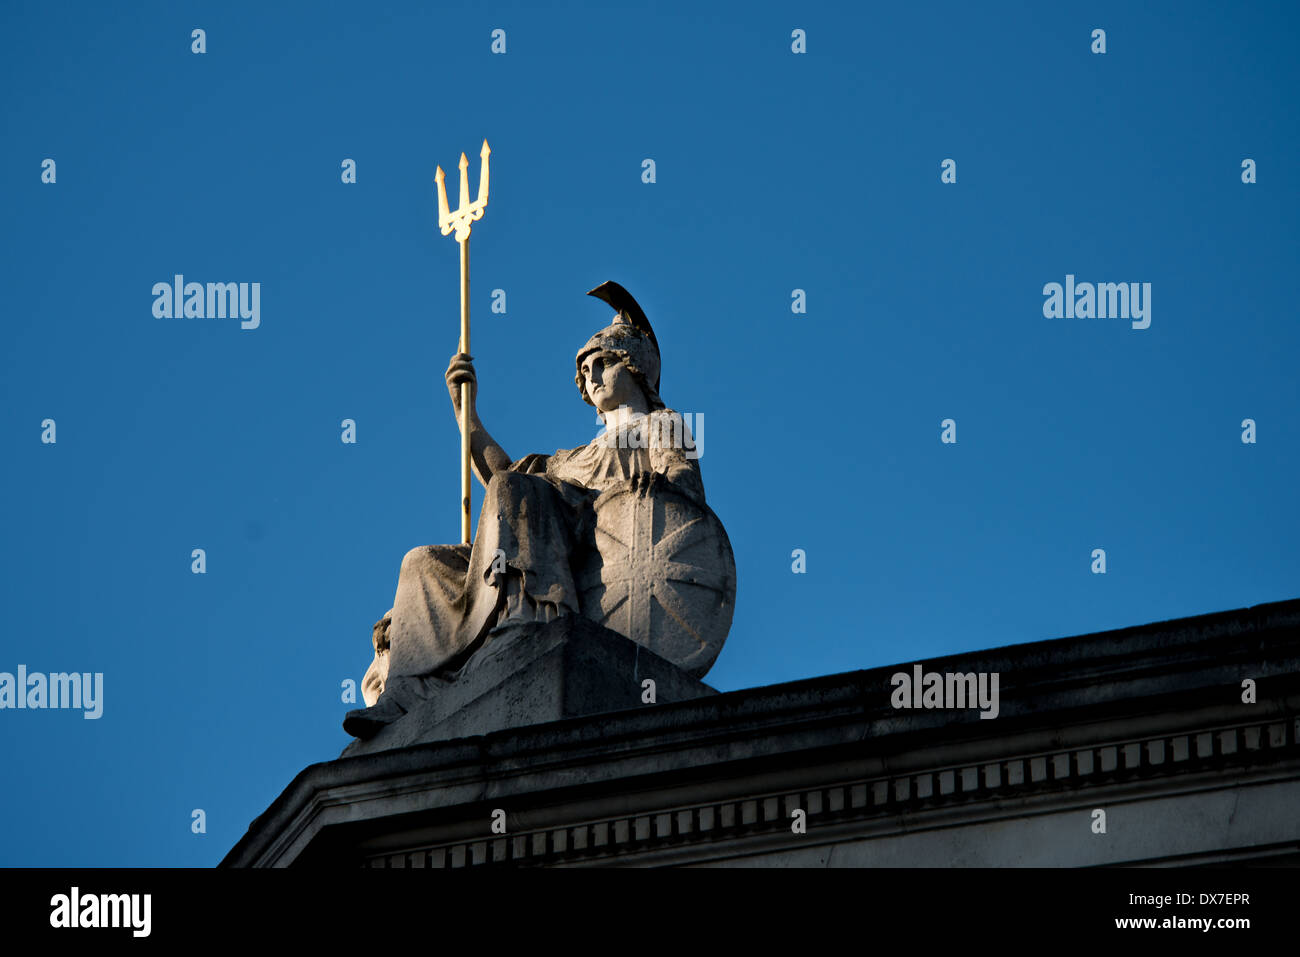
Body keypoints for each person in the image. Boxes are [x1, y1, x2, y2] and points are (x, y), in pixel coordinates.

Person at [343, 283, 703, 739]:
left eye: (603, 363)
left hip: (594, 540)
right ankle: (407, 691)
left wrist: (659, 489)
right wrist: (466, 414)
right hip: (536, 532)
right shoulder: (572, 457)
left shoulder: (662, 426)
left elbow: (686, 497)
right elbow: (502, 474)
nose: (591, 376)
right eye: (585, 369)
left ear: (634, 366)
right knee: (422, 563)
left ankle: (526, 621)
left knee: (517, 489)